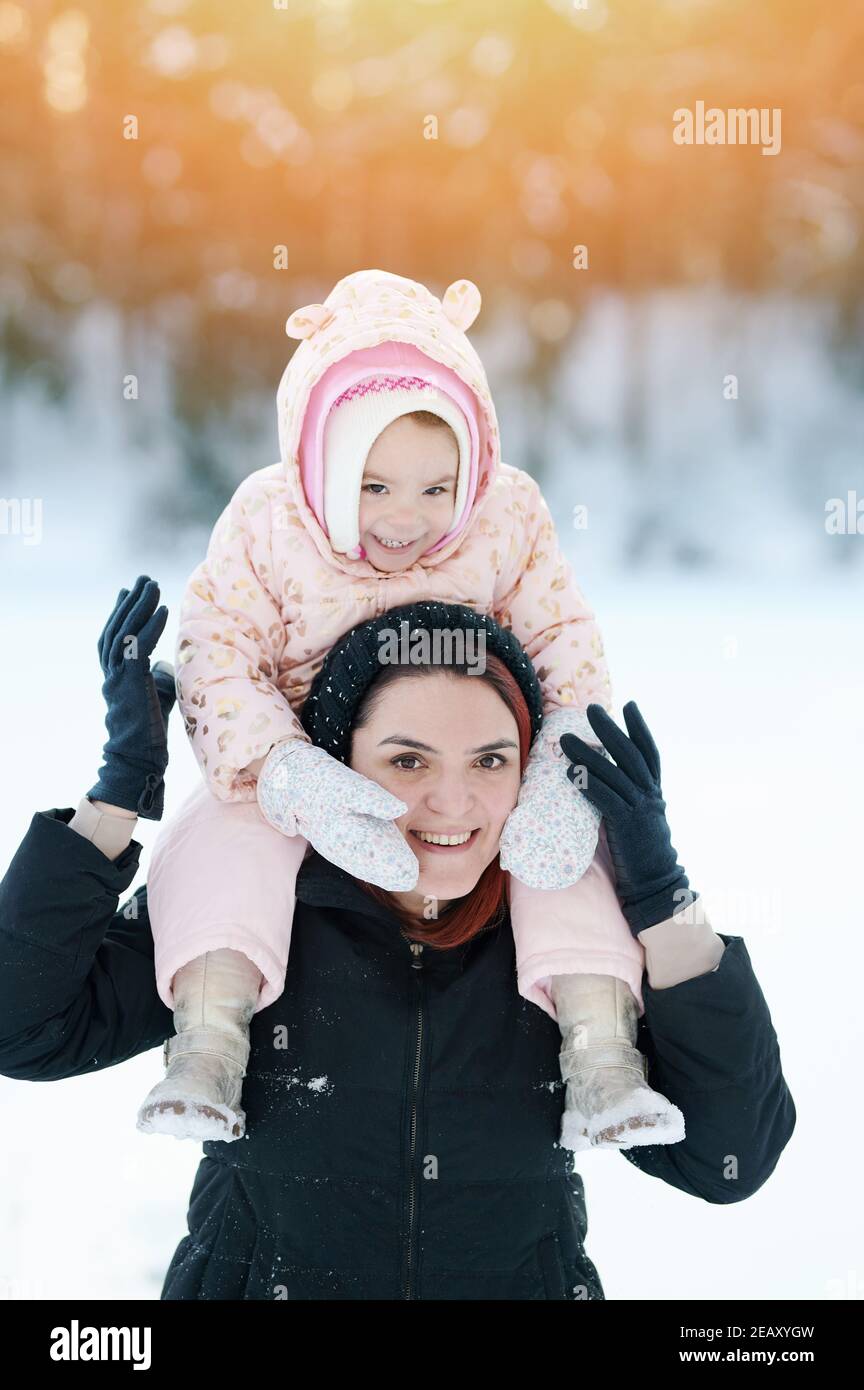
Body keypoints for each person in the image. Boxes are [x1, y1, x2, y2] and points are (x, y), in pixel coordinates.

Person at [0, 590, 796, 1300]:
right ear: (339, 761)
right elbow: (26, 1027)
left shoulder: (575, 939)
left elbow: (730, 1158)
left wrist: (661, 902)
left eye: (491, 760)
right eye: (407, 758)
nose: (452, 801)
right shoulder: (244, 908)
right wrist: (117, 796)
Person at [130, 266, 678, 1148]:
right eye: (372, 485)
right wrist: (279, 768)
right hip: (300, 762)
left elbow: (564, 641)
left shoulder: (507, 517)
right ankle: (207, 1040)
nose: (405, 518)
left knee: (562, 856)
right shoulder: (272, 521)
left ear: (473, 470)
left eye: (435, 488)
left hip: (457, 764)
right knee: (224, 848)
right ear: (320, 464)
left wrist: (554, 770)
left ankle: (603, 1056)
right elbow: (218, 650)